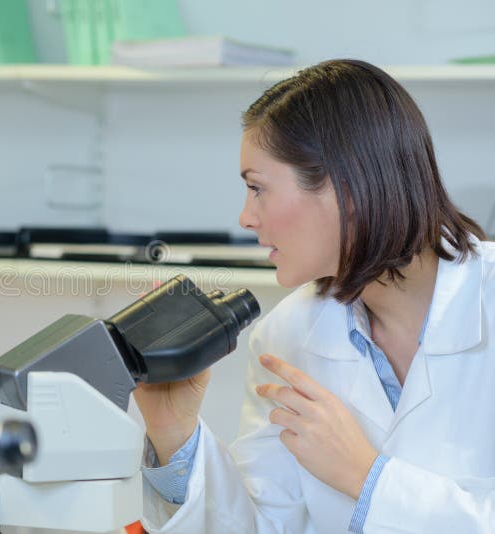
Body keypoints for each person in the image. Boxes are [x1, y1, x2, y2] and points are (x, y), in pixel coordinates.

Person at [136, 59, 495, 533]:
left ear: (345, 186)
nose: (246, 217)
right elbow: (261, 527)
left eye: (257, 188)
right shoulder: (287, 335)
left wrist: (366, 477)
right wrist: (174, 433)